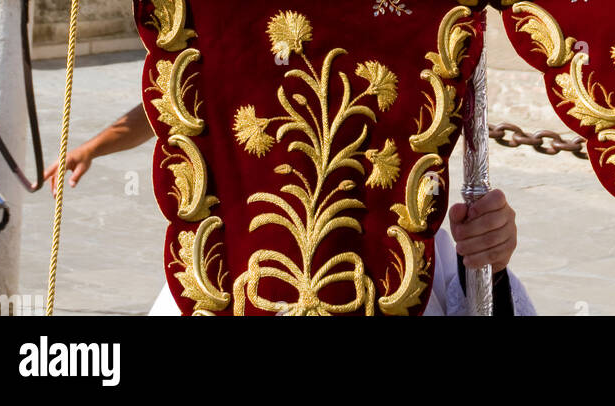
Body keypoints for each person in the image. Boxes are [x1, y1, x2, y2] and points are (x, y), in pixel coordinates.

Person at [46, 105, 535, 317]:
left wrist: (490, 256)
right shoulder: (209, 276)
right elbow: (162, 100)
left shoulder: (421, 247)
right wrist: (92, 146)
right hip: (244, 248)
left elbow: (483, 297)